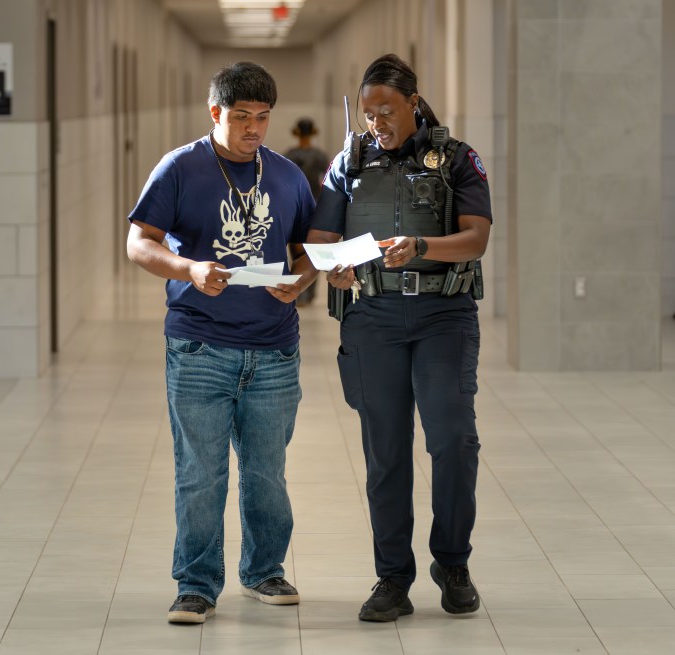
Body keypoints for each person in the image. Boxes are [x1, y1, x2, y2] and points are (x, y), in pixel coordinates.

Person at [126, 61, 318, 624]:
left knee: (266, 472)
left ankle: (264, 571)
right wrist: (187, 269)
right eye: (242, 117)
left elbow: (310, 248)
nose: (254, 128)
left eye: (263, 117)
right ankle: (196, 583)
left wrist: (301, 280)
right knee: (200, 473)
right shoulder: (181, 168)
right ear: (216, 113)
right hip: (199, 347)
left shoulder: (285, 176)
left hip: (274, 349)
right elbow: (140, 242)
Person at [306, 54, 492, 622]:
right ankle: (392, 578)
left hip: (443, 316)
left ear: (413, 102)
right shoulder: (349, 162)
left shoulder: (457, 159)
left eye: (386, 111)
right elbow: (322, 234)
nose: (376, 123)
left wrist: (422, 246)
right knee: (385, 454)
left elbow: (477, 238)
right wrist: (333, 266)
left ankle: (452, 562)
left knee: (454, 441)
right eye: (368, 113)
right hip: (375, 319)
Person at [284, 117, 330, 306]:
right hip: (310, 207)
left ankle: (304, 291)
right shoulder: (317, 155)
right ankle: (305, 291)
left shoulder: (290, 155)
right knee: (309, 249)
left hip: (300, 206)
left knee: (305, 249)